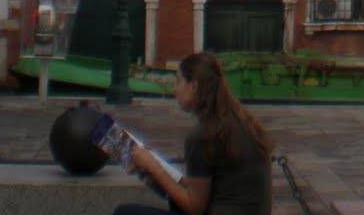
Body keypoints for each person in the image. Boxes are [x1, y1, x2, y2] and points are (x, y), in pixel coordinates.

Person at [113, 50, 273, 215]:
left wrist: (155, 169)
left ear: (194, 86)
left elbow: (194, 207)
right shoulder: (243, 121)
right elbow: (210, 184)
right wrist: (153, 165)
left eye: (178, 81)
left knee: (124, 212)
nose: (174, 90)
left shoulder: (202, 136)